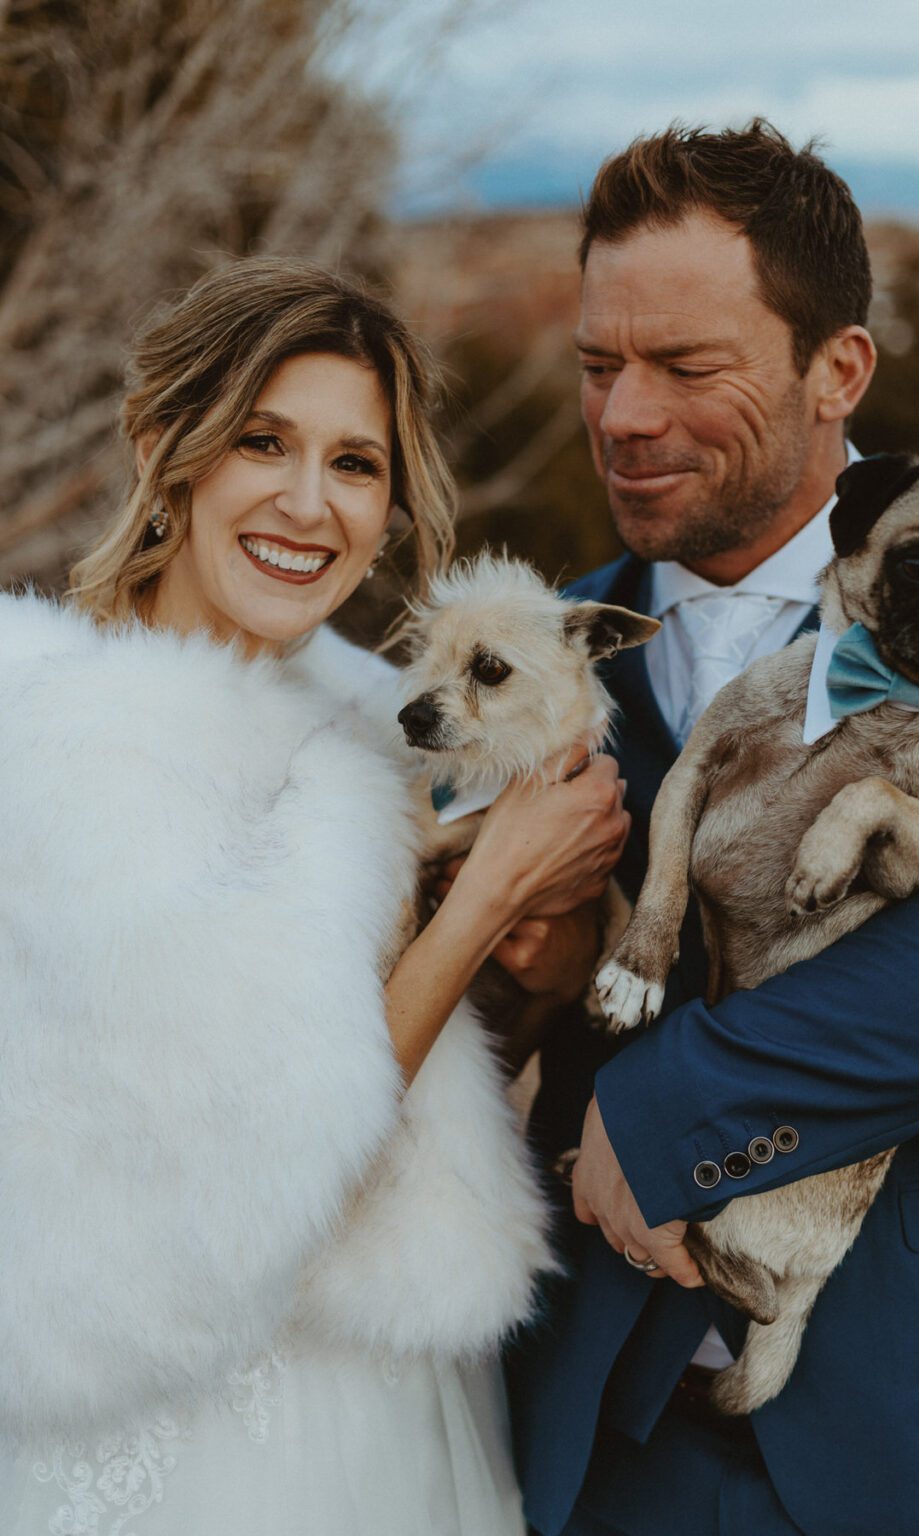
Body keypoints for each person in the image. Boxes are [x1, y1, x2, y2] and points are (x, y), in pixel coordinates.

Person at [0, 257, 631, 1536]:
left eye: (356, 463)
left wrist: (537, 940)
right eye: (263, 442)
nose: (308, 502)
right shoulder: (74, 737)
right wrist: (482, 892)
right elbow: (256, 1155)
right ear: (164, 444)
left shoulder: (366, 716)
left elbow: (418, 1060)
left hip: (408, 1379)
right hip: (213, 1430)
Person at [503, 123, 919, 1536]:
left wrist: (673, 1109)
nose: (621, 417)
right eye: (601, 366)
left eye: (685, 366)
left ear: (837, 371)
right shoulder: (541, 651)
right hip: (596, 1443)